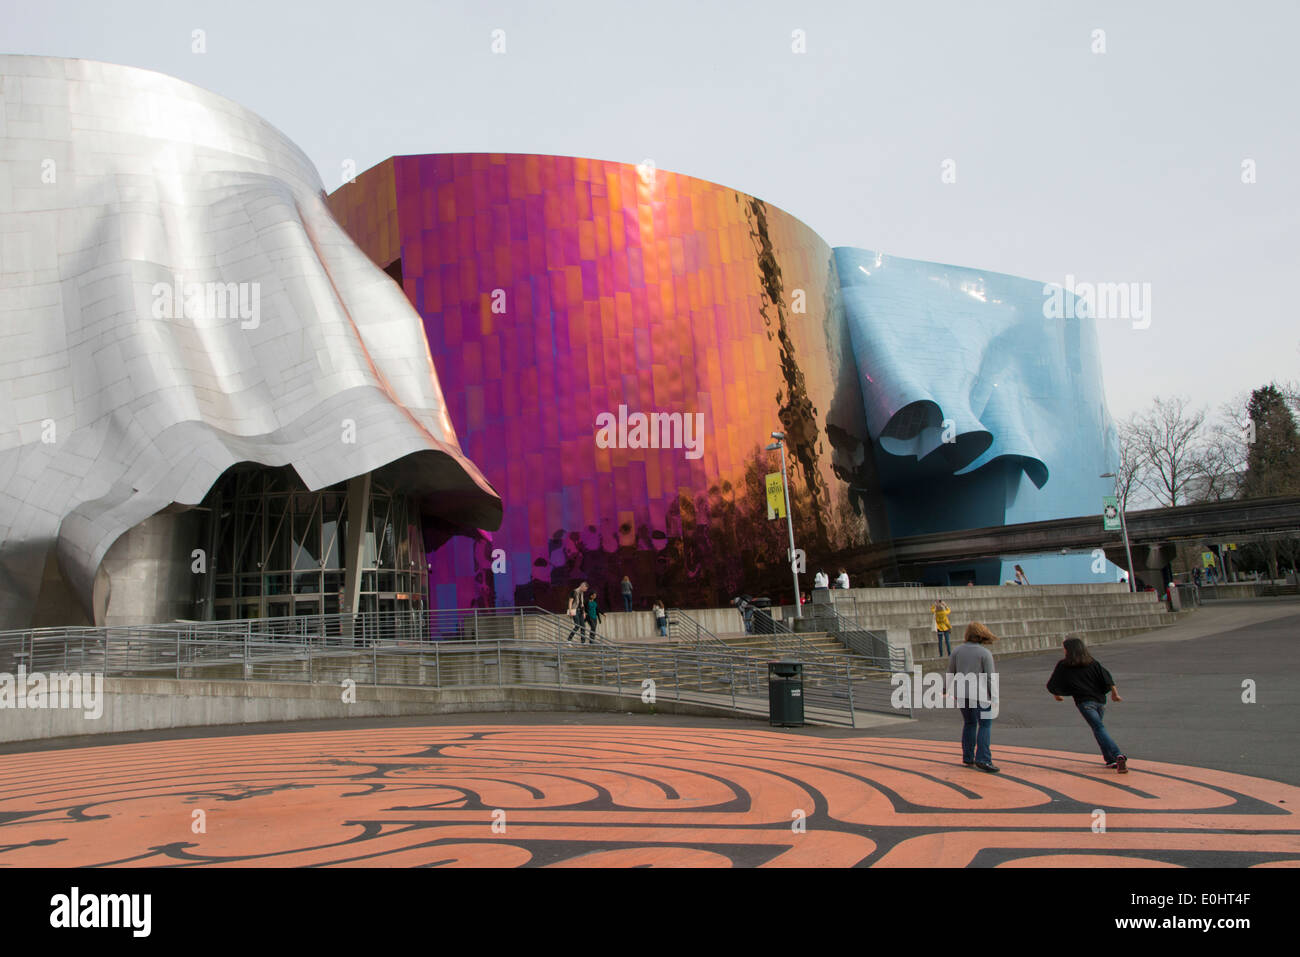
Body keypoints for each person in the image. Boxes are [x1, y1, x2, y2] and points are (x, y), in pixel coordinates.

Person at [1046, 636, 1128, 773]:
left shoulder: (1064, 665)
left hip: (1085, 702)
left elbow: (1053, 683)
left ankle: (1117, 754)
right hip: (1100, 701)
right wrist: (1115, 694)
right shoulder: (1092, 662)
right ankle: (1110, 760)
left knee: (1099, 728)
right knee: (1098, 729)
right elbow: (1107, 678)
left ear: (1068, 650)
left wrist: (1057, 695)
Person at [948, 622, 999, 772]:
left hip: (962, 694)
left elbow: (951, 672)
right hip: (980, 695)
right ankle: (983, 758)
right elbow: (990, 677)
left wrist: (946, 688)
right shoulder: (984, 653)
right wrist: (994, 698)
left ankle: (968, 756)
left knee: (969, 723)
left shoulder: (957, 651)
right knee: (985, 725)